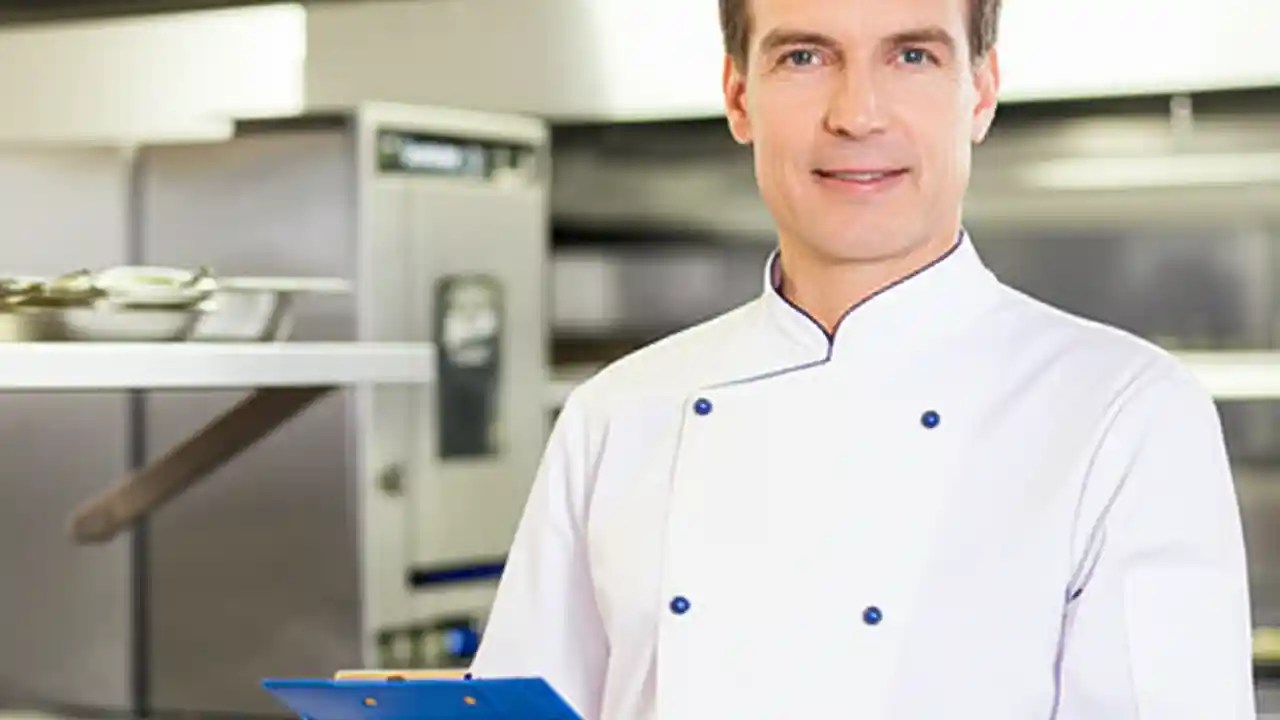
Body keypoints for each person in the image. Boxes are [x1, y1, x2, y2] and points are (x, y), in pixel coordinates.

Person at [470, 0, 1256, 717]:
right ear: (739, 96)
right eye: (804, 57)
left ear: (980, 92)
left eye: (911, 56)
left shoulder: (1125, 415)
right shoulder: (617, 414)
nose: (857, 114)